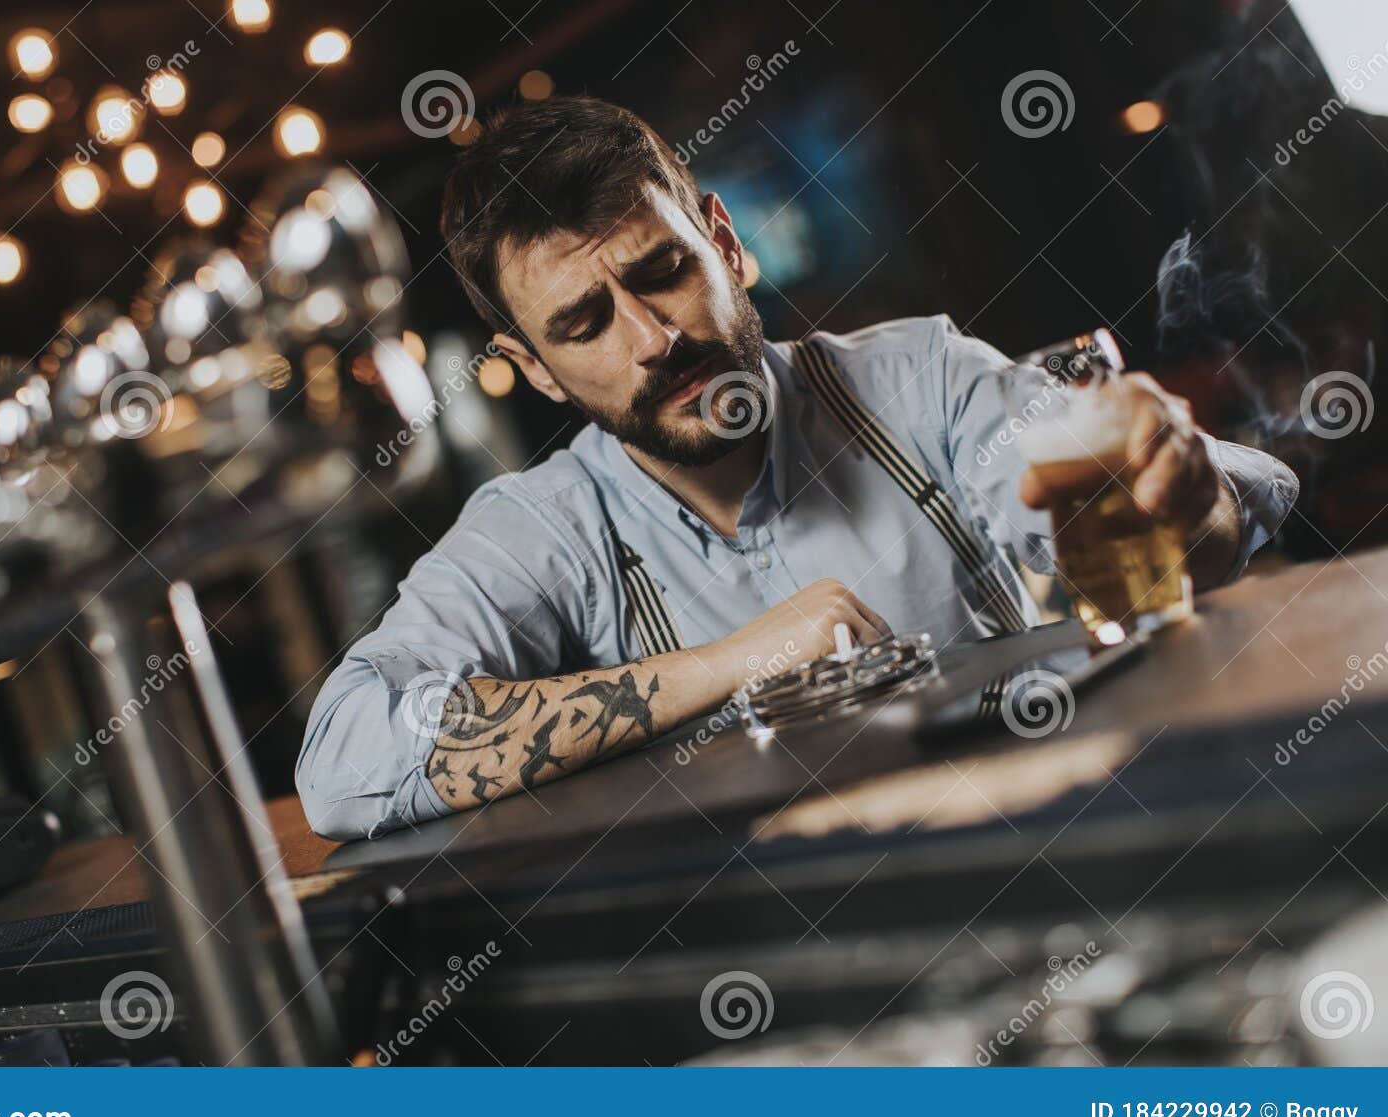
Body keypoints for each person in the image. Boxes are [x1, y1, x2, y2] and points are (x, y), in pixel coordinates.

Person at [296, 95, 1297, 841]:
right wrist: (732, 664)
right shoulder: (539, 529)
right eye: (584, 322)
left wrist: (1178, 496)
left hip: (1035, 849)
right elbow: (348, 756)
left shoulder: (918, 379)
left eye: (662, 273)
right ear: (535, 372)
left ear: (724, 245)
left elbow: (1155, 542)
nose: (651, 338)